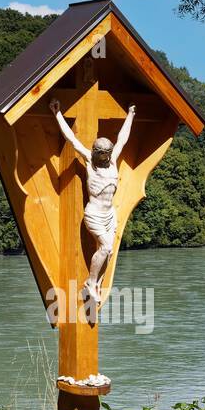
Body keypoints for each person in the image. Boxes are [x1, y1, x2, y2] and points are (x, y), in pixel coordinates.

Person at [50, 98, 135, 303]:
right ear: (96, 153)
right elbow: (71, 138)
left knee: (109, 250)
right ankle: (90, 282)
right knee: (105, 247)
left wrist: (130, 115)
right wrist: (57, 114)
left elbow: (122, 139)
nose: (105, 157)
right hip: (95, 214)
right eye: (102, 154)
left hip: (110, 214)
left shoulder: (113, 160)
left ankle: (96, 284)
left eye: (107, 154)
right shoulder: (89, 160)